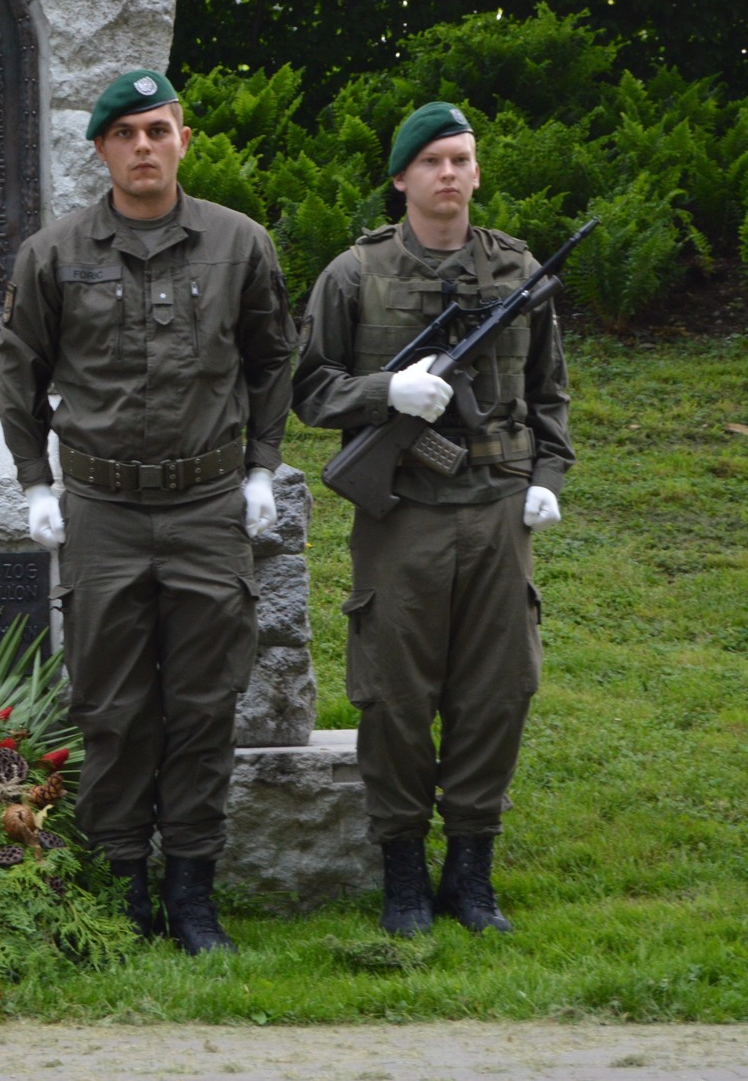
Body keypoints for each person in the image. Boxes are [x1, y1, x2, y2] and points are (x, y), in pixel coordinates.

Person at [0, 70, 296, 954]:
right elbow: (20, 370)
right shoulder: (53, 253)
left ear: (184, 140)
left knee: (205, 703)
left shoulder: (240, 245)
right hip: (103, 509)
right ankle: (123, 884)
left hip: (207, 504)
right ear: (101, 150)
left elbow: (273, 359)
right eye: (125, 134)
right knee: (112, 705)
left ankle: (194, 891)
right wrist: (34, 482)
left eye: (158, 130)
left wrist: (262, 469)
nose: (144, 148)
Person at [292, 101, 574, 937]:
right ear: (401, 178)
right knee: (395, 697)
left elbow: (550, 392)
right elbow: (308, 389)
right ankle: (404, 875)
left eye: (461, 159)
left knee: (499, 692)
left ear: (477, 171)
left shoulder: (520, 271)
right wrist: (388, 392)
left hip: (497, 515)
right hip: (405, 513)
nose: (448, 173)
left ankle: (472, 873)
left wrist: (548, 475)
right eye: (432, 161)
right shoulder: (354, 275)